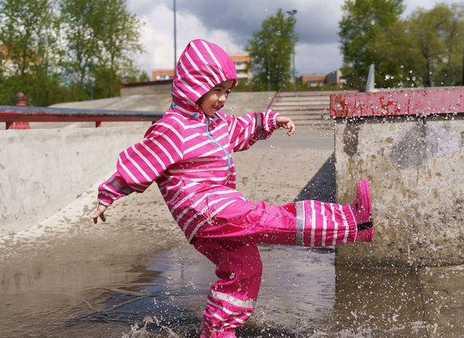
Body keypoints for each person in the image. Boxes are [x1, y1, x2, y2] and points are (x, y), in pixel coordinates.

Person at [91, 39, 375, 338]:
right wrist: (107, 196)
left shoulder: (216, 123)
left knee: (245, 268)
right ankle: (354, 224)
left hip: (217, 212)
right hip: (204, 210)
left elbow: (242, 128)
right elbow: (142, 162)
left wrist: (271, 120)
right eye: (216, 90)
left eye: (227, 91)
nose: (223, 98)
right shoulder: (172, 128)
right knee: (269, 218)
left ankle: (217, 332)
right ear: (193, 87)